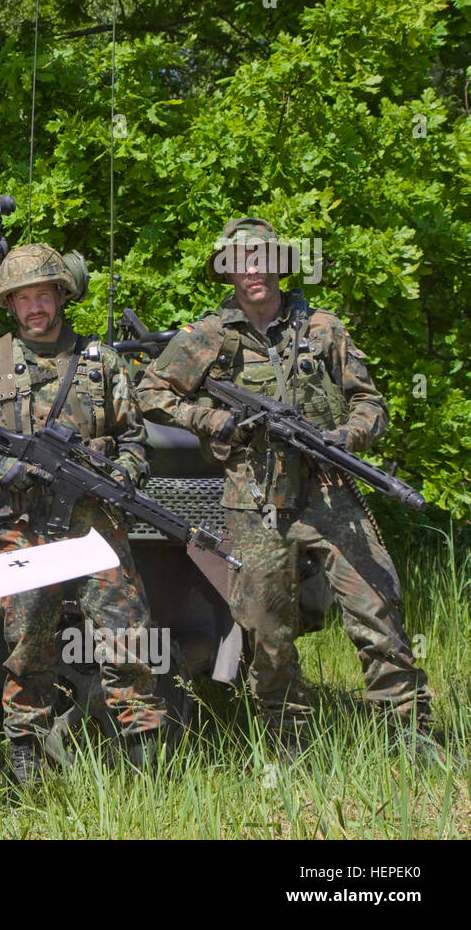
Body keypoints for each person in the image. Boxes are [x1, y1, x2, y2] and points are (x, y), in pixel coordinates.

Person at [136, 218, 434, 758]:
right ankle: (286, 743)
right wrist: (210, 420)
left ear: (279, 264)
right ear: (227, 272)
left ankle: (411, 736)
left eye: (262, 258)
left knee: (378, 612)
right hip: (253, 499)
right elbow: (149, 393)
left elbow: (372, 402)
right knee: (268, 634)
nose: (253, 270)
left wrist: (345, 435)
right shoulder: (207, 336)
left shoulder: (323, 328)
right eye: (240, 261)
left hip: (330, 490)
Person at [0, 243, 167, 780]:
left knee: (128, 637)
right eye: (23, 298)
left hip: (94, 525)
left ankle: (146, 757)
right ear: (11, 305)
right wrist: (4, 469)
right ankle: (26, 755)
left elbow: (135, 440)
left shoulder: (100, 361)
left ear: (62, 297)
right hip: (22, 526)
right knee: (27, 642)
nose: (35, 306)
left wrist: (123, 475)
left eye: (44, 294)